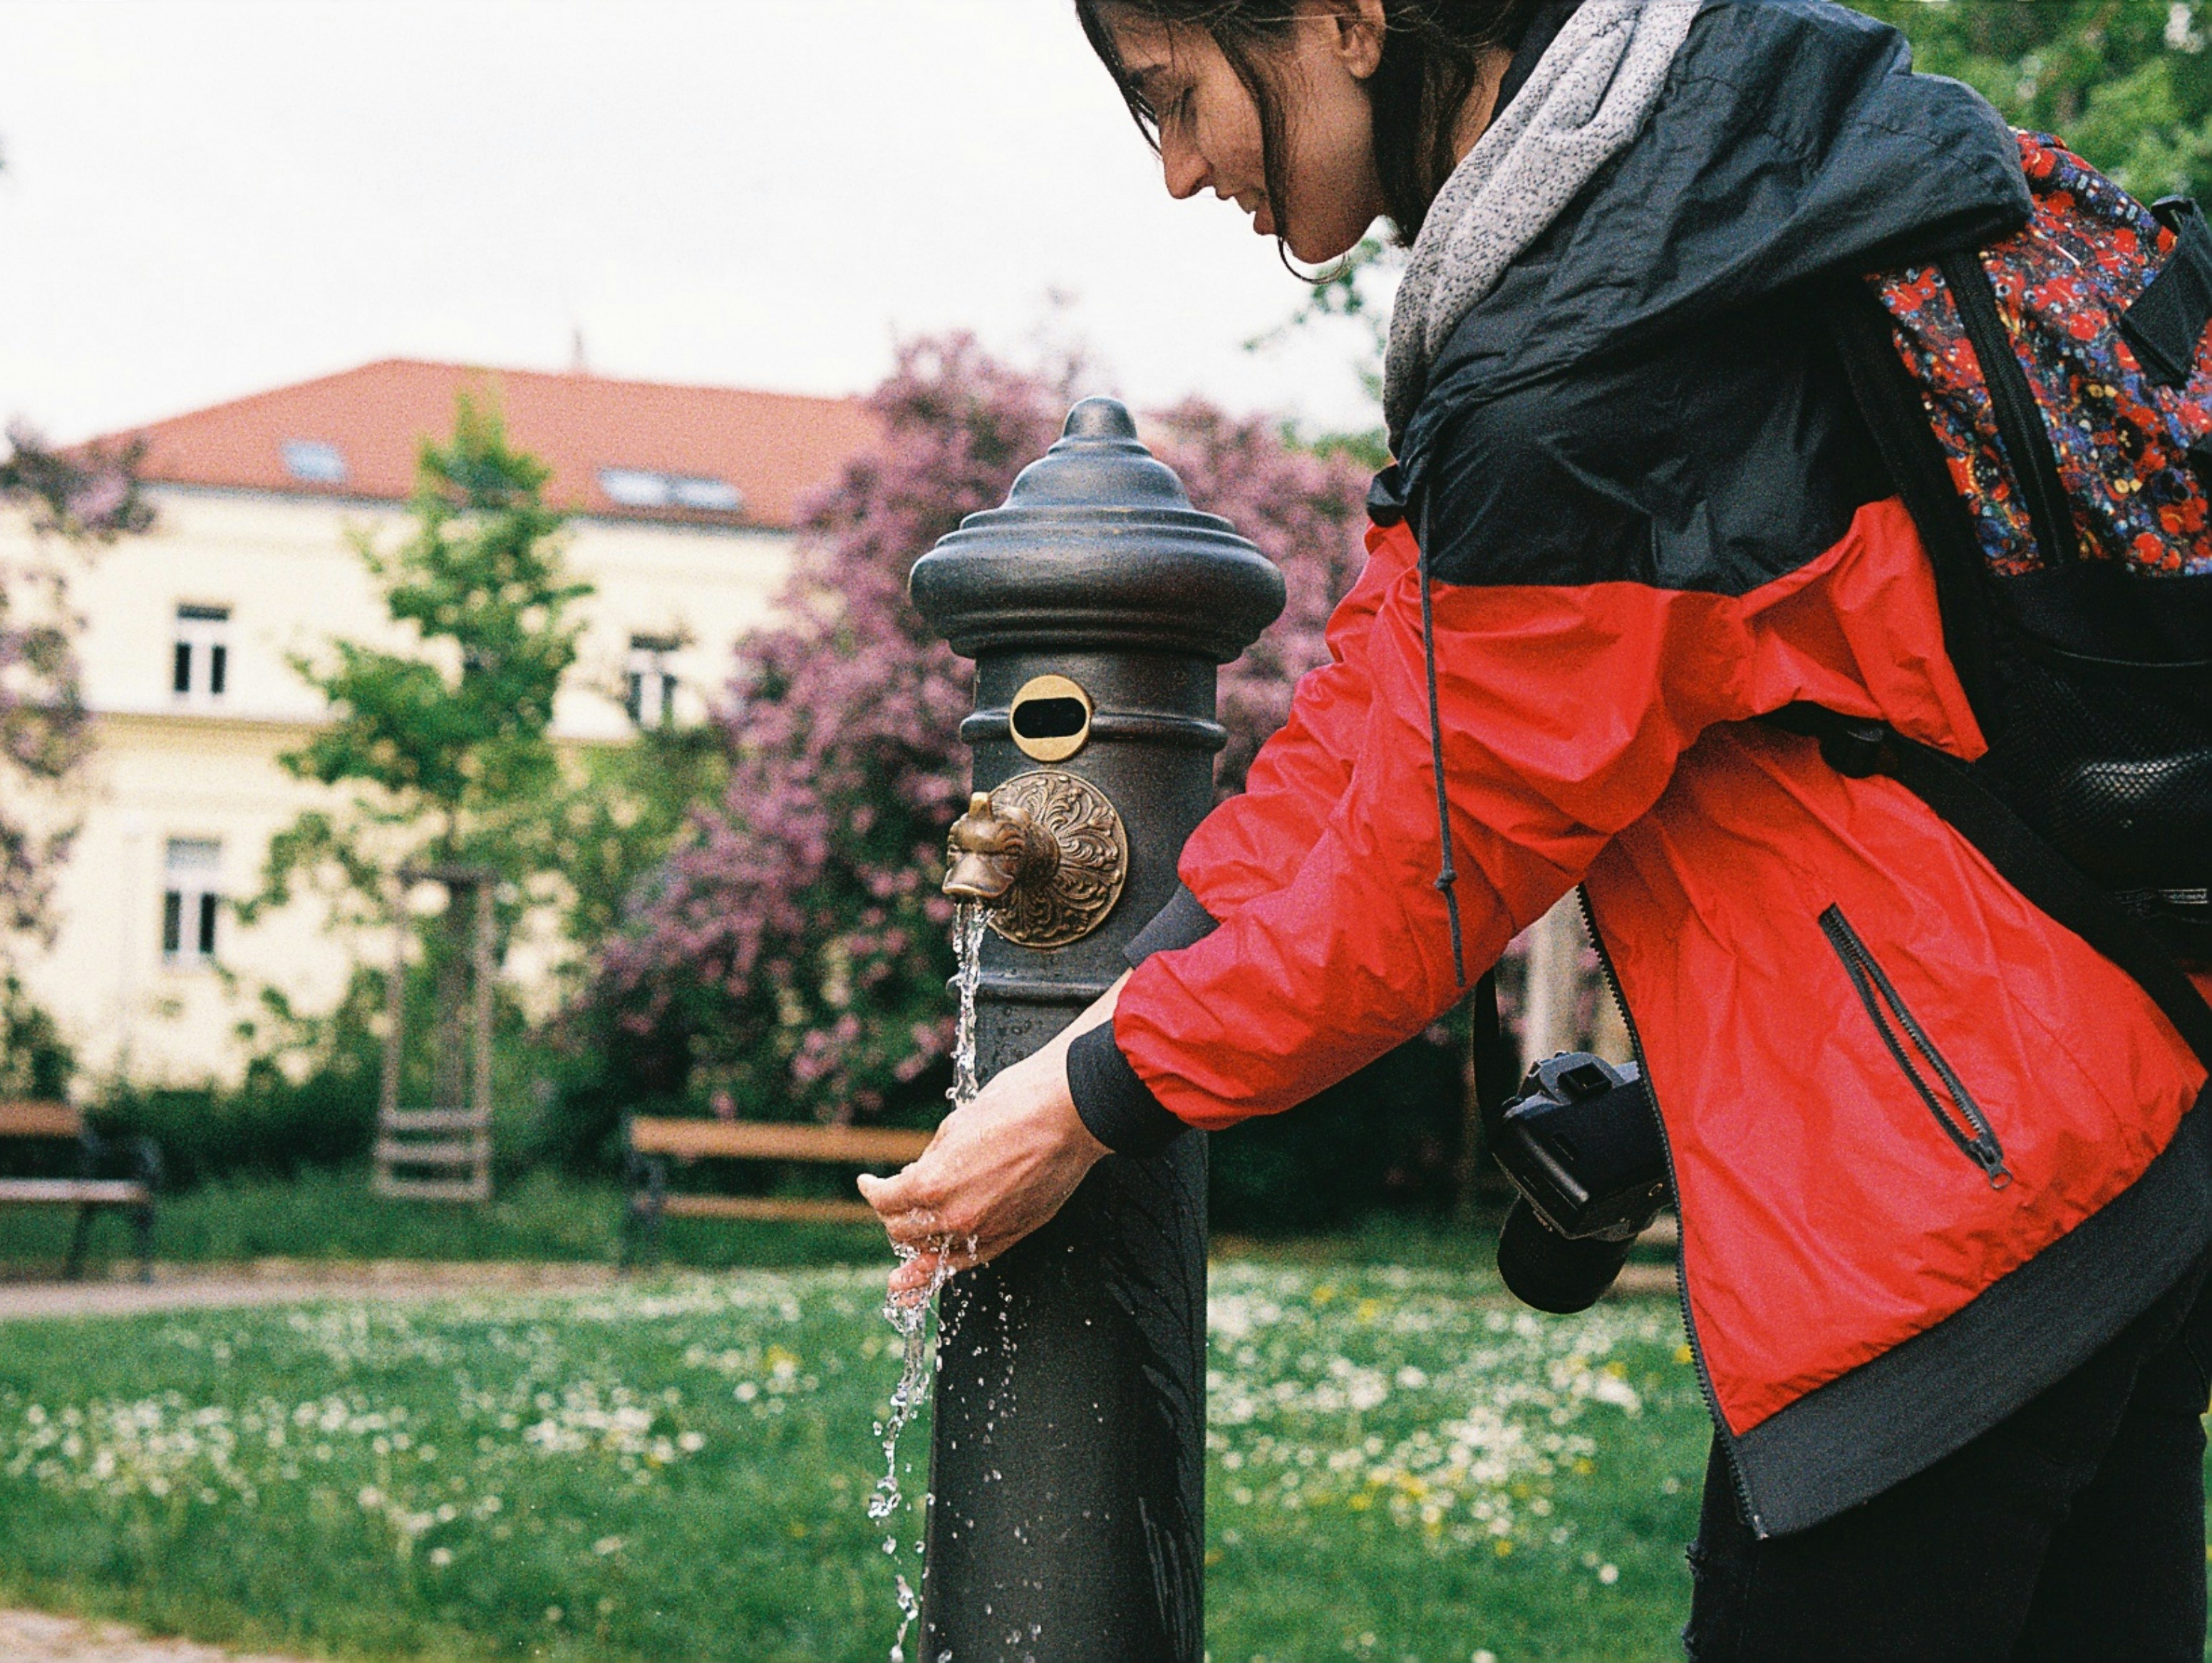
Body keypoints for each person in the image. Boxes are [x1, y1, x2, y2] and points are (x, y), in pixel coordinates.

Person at [862, 1, 2212, 1657]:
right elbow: (1386, 708)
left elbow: (1417, 876)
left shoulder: (1595, 357)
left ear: (1349, 21)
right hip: (2117, 1115)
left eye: (1179, 97)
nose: (1179, 169)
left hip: (1942, 1222)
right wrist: (1135, 989)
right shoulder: (1669, 217)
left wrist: (1083, 1097)